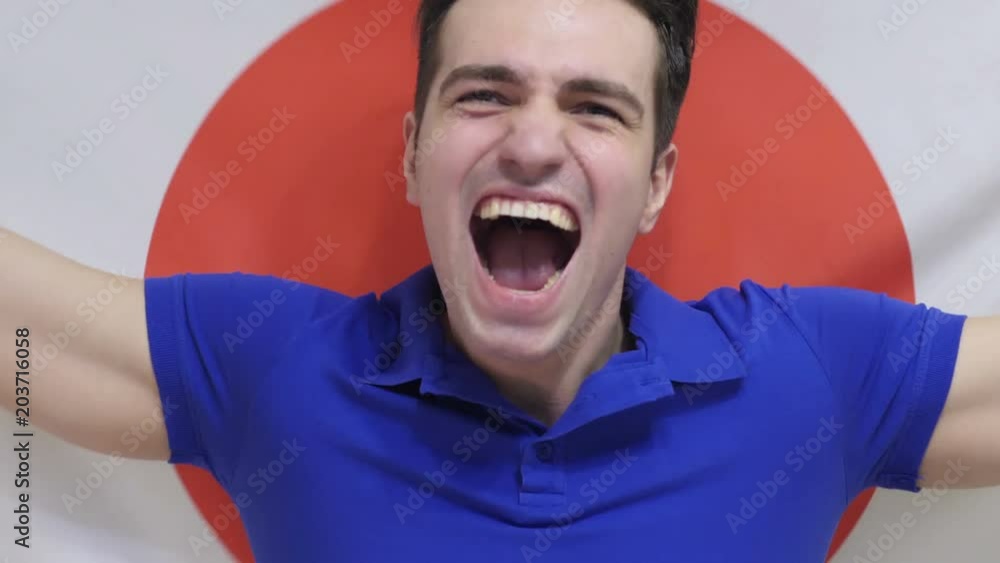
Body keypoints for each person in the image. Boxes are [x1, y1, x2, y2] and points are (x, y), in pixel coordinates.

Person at [3, 0, 998, 561]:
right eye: (484, 95)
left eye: (595, 109)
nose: (531, 140)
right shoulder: (277, 363)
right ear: (411, 153)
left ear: (656, 182)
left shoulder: (805, 376)